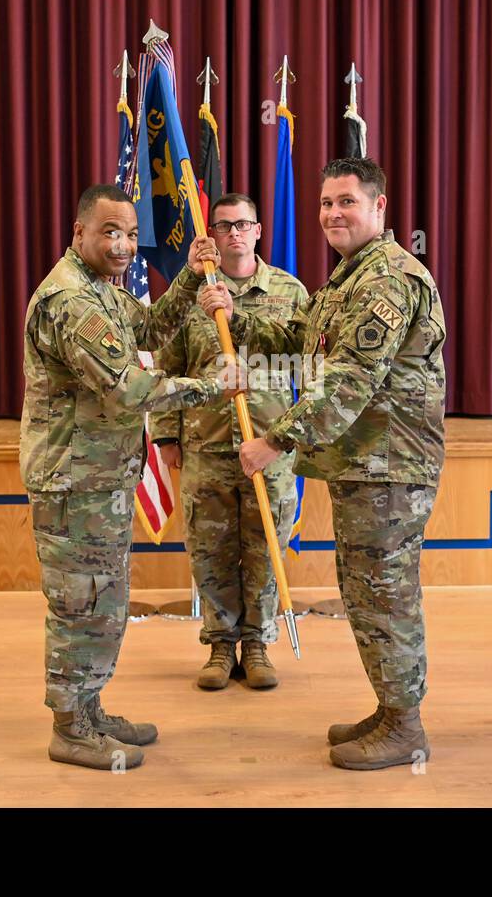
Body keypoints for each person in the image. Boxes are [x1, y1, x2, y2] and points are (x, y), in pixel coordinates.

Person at [201, 157, 447, 771]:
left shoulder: (387, 280)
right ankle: (390, 710)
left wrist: (275, 441)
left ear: (379, 205)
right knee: (366, 594)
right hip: (362, 464)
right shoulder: (346, 280)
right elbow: (300, 339)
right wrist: (232, 313)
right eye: (325, 203)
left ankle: (405, 726)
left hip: (390, 467)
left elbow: (348, 381)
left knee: (386, 597)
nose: (333, 214)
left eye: (347, 202)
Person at [20, 184, 241, 770]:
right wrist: (211, 386)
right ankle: (70, 727)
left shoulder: (101, 291)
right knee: (80, 604)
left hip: (98, 481)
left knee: (103, 601)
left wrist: (191, 278)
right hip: (75, 483)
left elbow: (148, 330)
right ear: (79, 234)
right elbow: (130, 389)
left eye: (129, 234)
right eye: (108, 232)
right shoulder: (72, 303)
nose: (121, 245)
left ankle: (88, 710)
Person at [152, 193, 307, 690]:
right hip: (206, 442)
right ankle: (220, 645)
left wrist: (238, 318)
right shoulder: (191, 293)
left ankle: (258, 643)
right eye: (224, 226)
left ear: (259, 230)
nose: (235, 233)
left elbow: (303, 360)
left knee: (265, 546)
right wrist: (165, 435)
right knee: (210, 549)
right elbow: (167, 365)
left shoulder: (288, 289)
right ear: (211, 237)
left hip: (267, 444)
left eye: (244, 224)